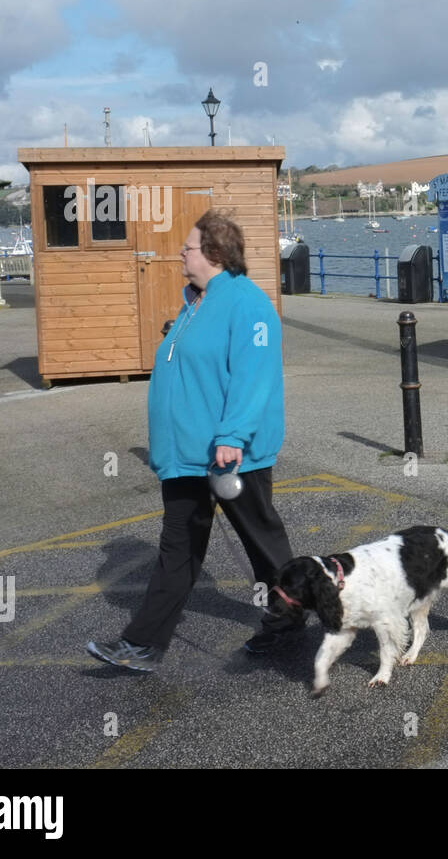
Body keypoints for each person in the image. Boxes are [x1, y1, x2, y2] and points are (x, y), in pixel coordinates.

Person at [87, 210, 299, 671]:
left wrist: (232, 435)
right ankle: (142, 645)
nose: (181, 253)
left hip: (230, 455)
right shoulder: (193, 304)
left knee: (265, 547)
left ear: (216, 254)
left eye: (189, 247)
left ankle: (292, 620)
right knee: (177, 549)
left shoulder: (247, 304)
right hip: (185, 458)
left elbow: (255, 376)